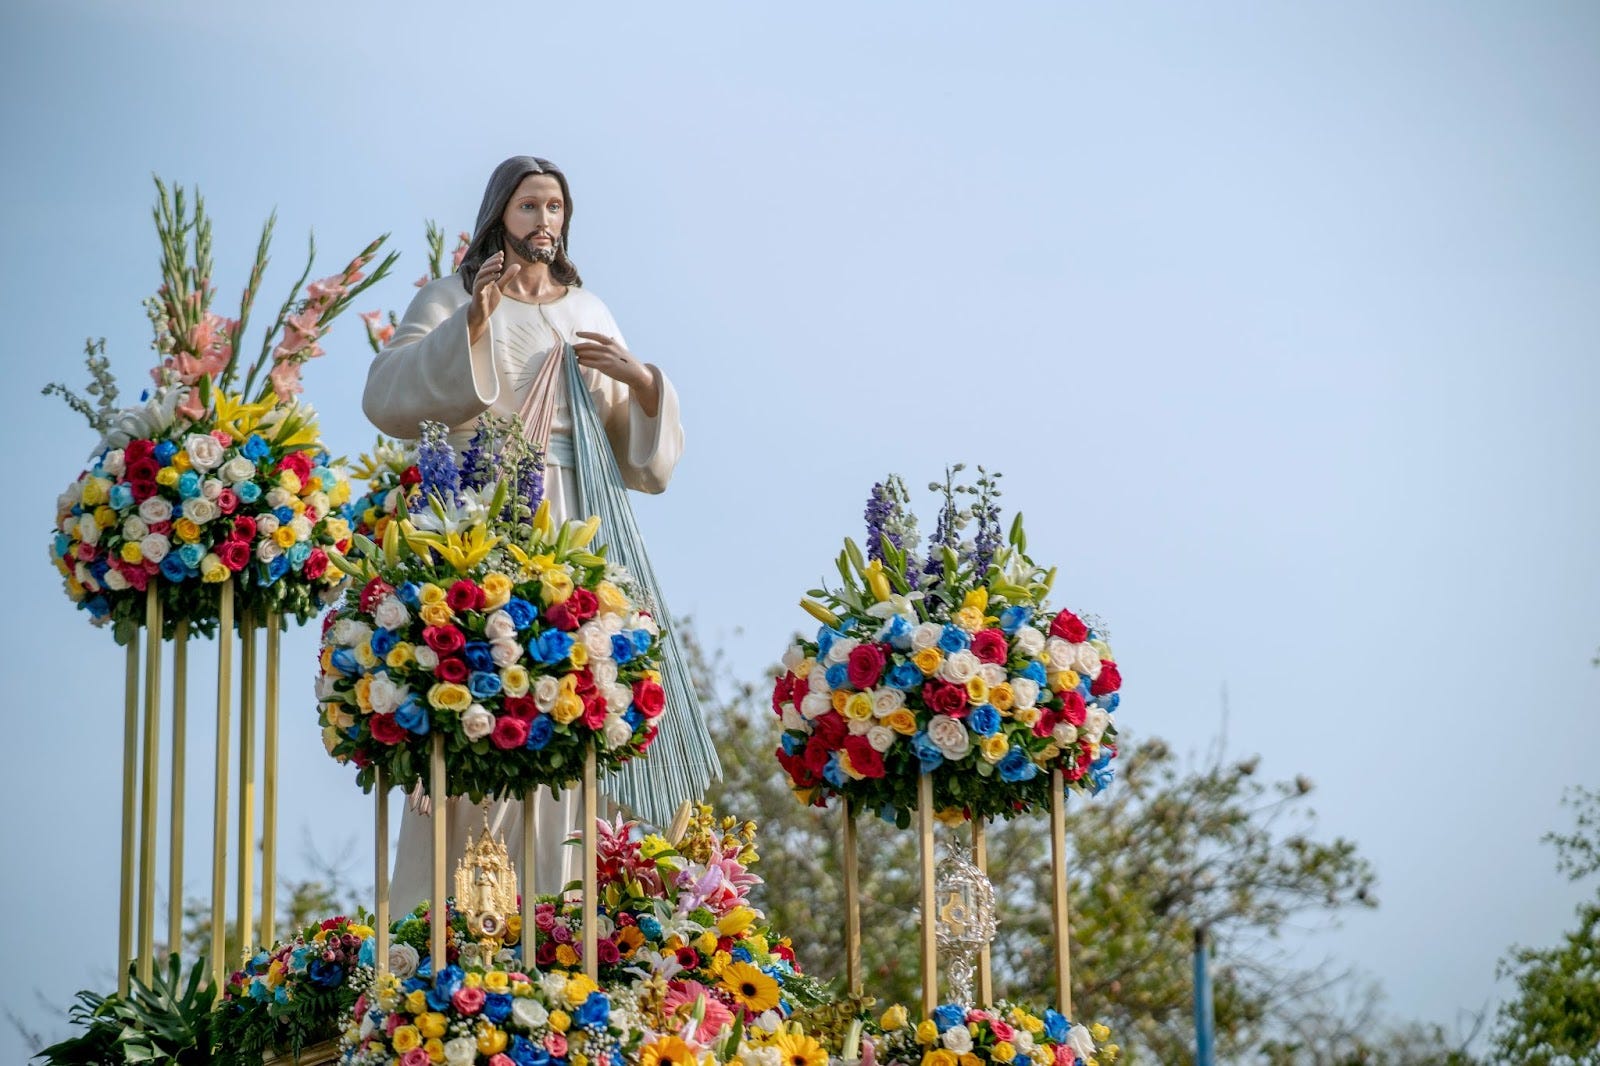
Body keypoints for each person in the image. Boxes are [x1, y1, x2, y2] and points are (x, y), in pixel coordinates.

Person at [363, 156, 705, 910]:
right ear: (499, 215)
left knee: (575, 693)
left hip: (578, 515)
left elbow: (642, 462)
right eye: (529, 206)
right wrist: (473, 323)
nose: (544, 221)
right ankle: (457, 913)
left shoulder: (587, 308)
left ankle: (567, 909)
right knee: (487, 687)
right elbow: (386, 397)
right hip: (483, 513)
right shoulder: (449, 298)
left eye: (555, 207)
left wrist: (644, 382)